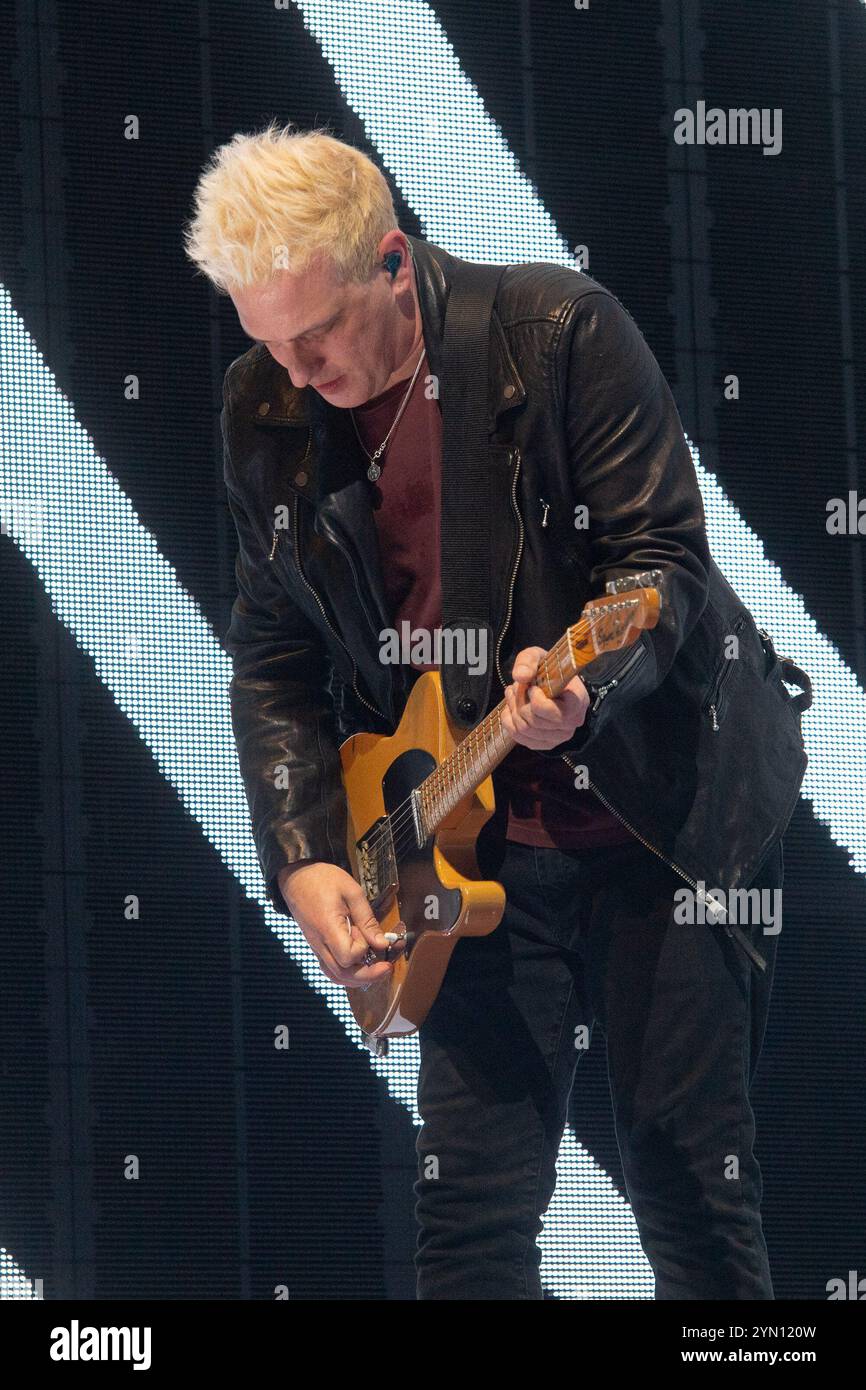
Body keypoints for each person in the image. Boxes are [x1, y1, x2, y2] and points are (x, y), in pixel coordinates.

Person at [184, 122, 811, 1300]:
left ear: (388, 260)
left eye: (315, 333)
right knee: (466, 1226)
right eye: (267, 340)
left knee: (686, 1194)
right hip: (454, 846)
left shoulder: (554, 331)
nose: (298, 369)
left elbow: (659, 563)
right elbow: (271, 651)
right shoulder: (259, 408)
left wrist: (586, 693)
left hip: (658, 822)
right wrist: (306, 853)